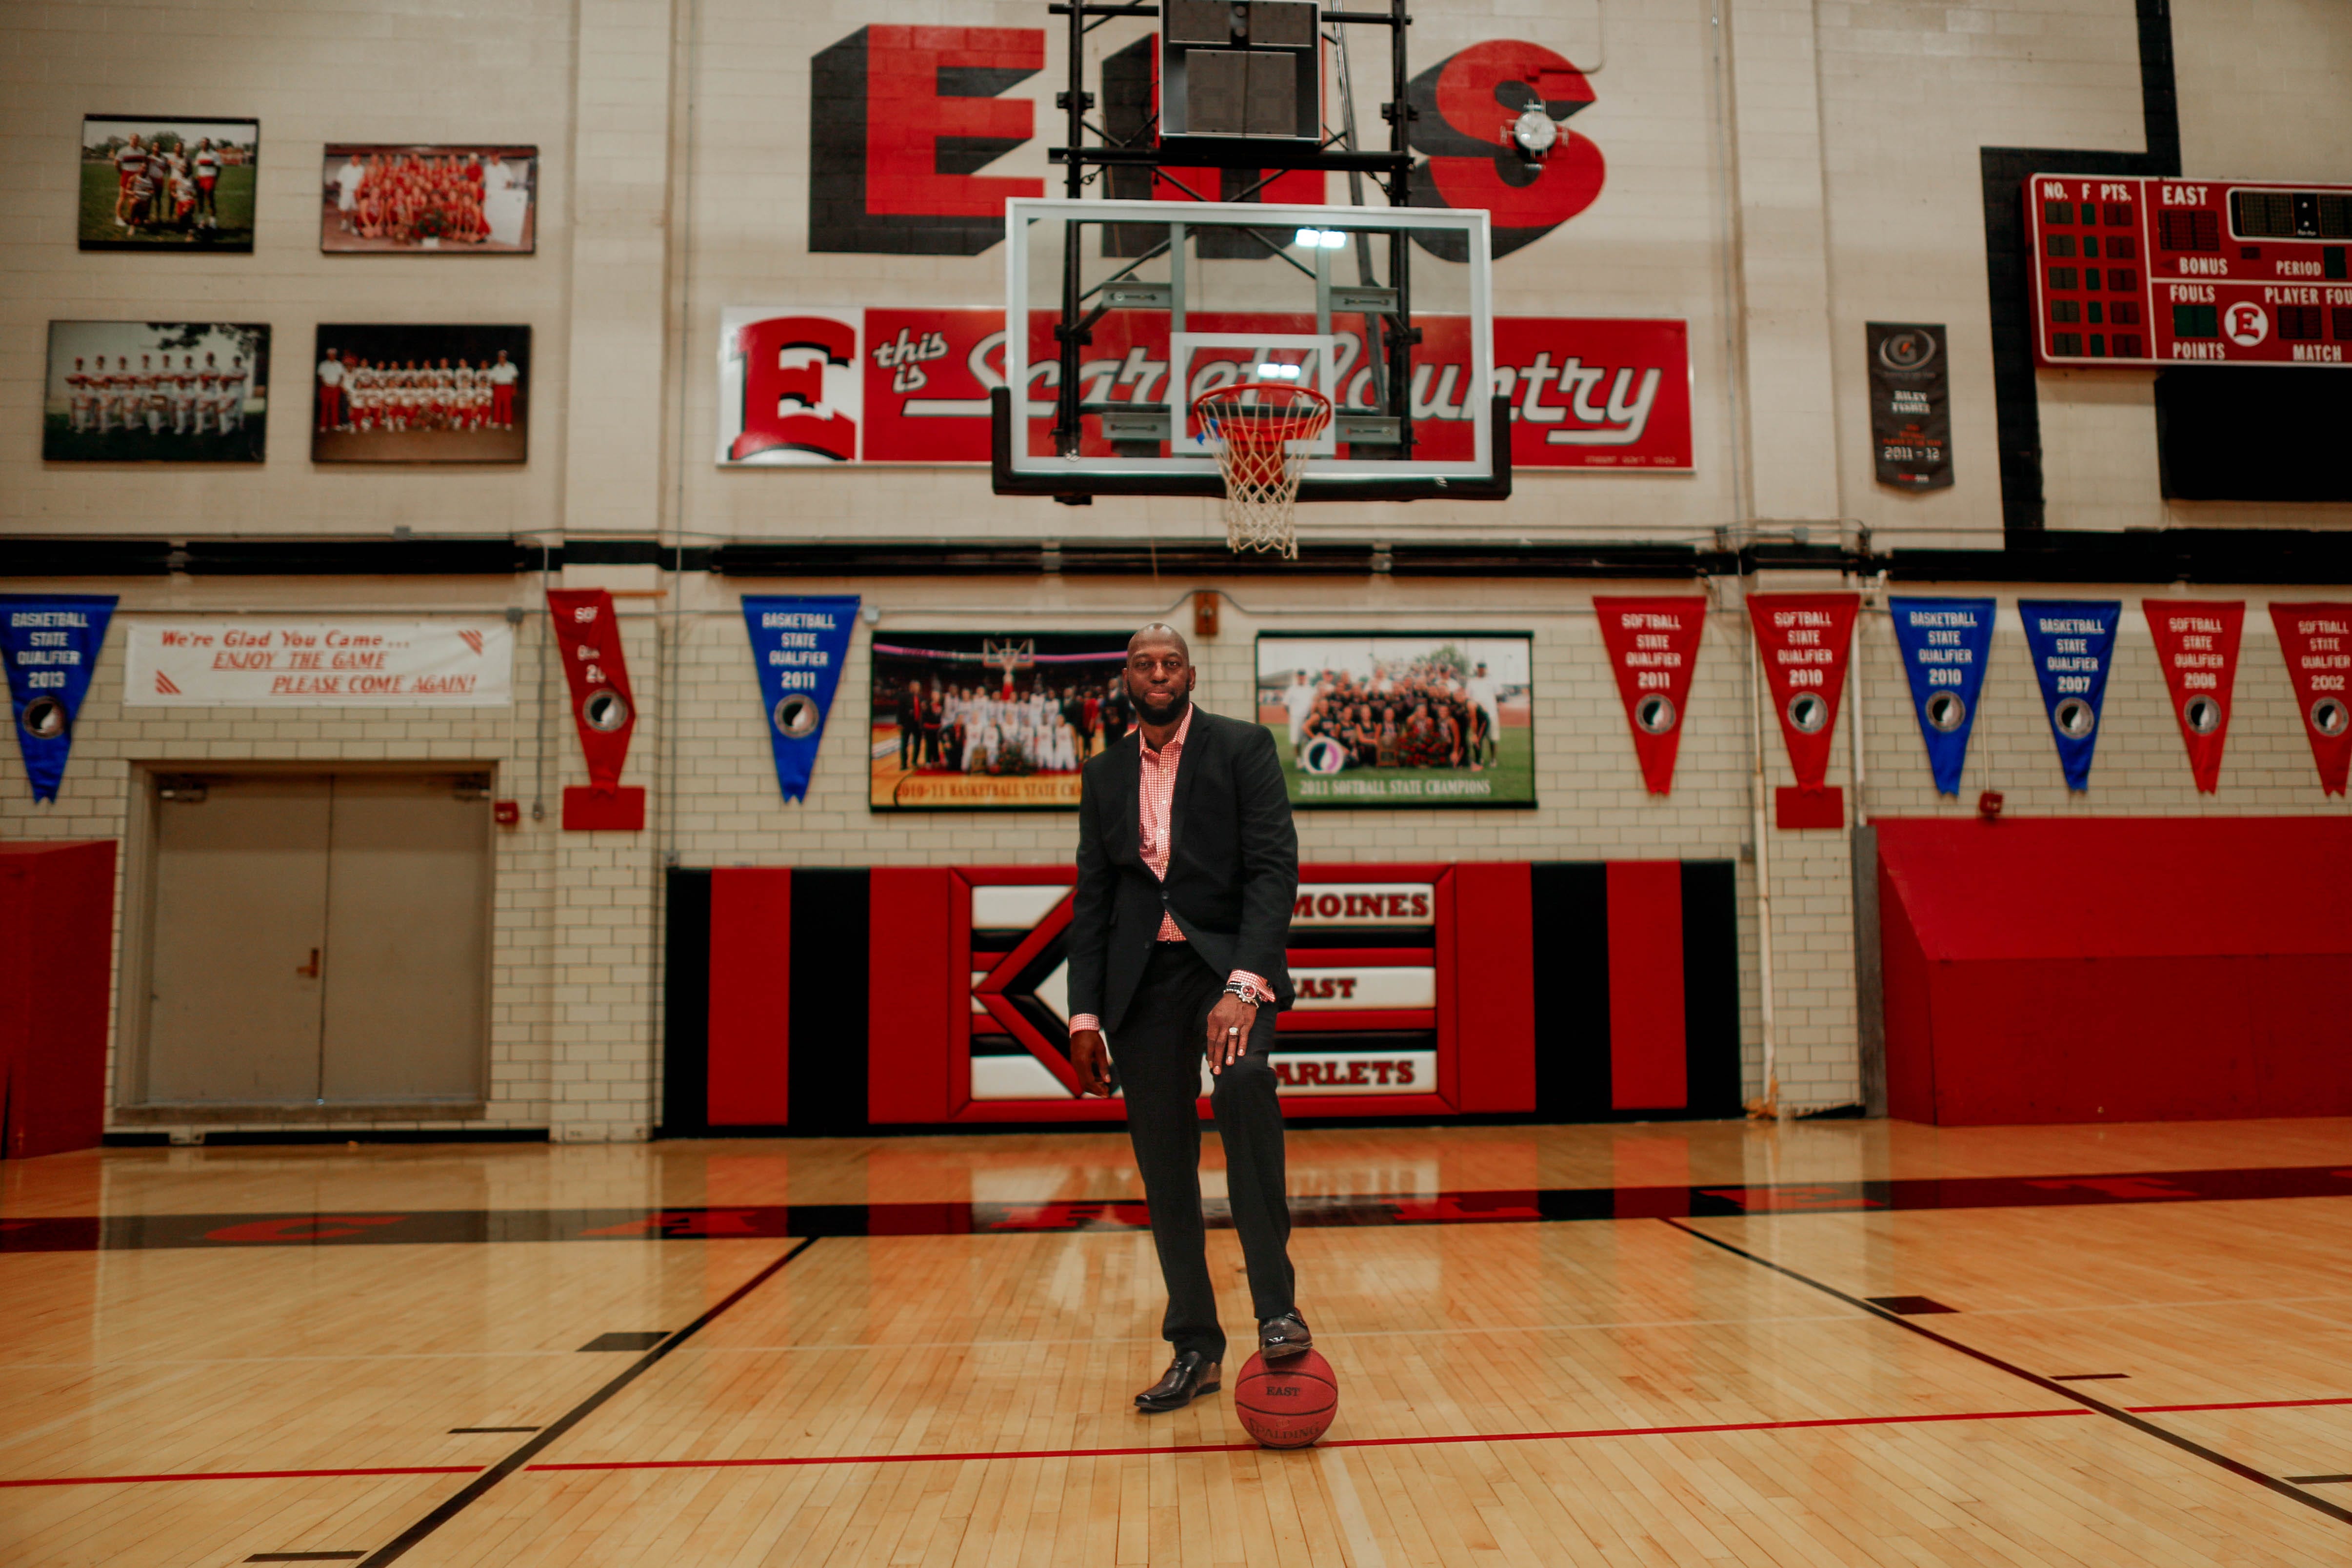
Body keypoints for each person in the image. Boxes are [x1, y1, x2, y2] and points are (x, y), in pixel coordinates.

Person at [1067, 623, 1309, 1414]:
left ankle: (1276, 1307)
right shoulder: (1102, 774)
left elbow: (1275, 868)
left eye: (1171, 662)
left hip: (1228, 971)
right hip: (1142, 986)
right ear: (1125, 678)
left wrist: (1245, 983)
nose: (1159, 673)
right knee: (1165, 1167)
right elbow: (1094, 900)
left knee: (1243, 1086)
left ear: (1192, 674)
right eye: (1145, 663)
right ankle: (1195, 1347)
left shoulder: (1242, 749)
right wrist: (1083, 1015)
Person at [317, 348, 345, 432]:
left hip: (336, 387)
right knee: (325, 407)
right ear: (328, 355)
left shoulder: (339, 365)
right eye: (330, 354)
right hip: (326, 387)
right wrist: (325, 384)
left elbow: (341, 376)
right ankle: (323, 425)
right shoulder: (323, 364)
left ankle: (335, 424)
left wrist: (337, 385)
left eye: (334, 354)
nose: (332, 356)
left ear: (335, 355)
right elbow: (320, 376)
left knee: (335, 406)